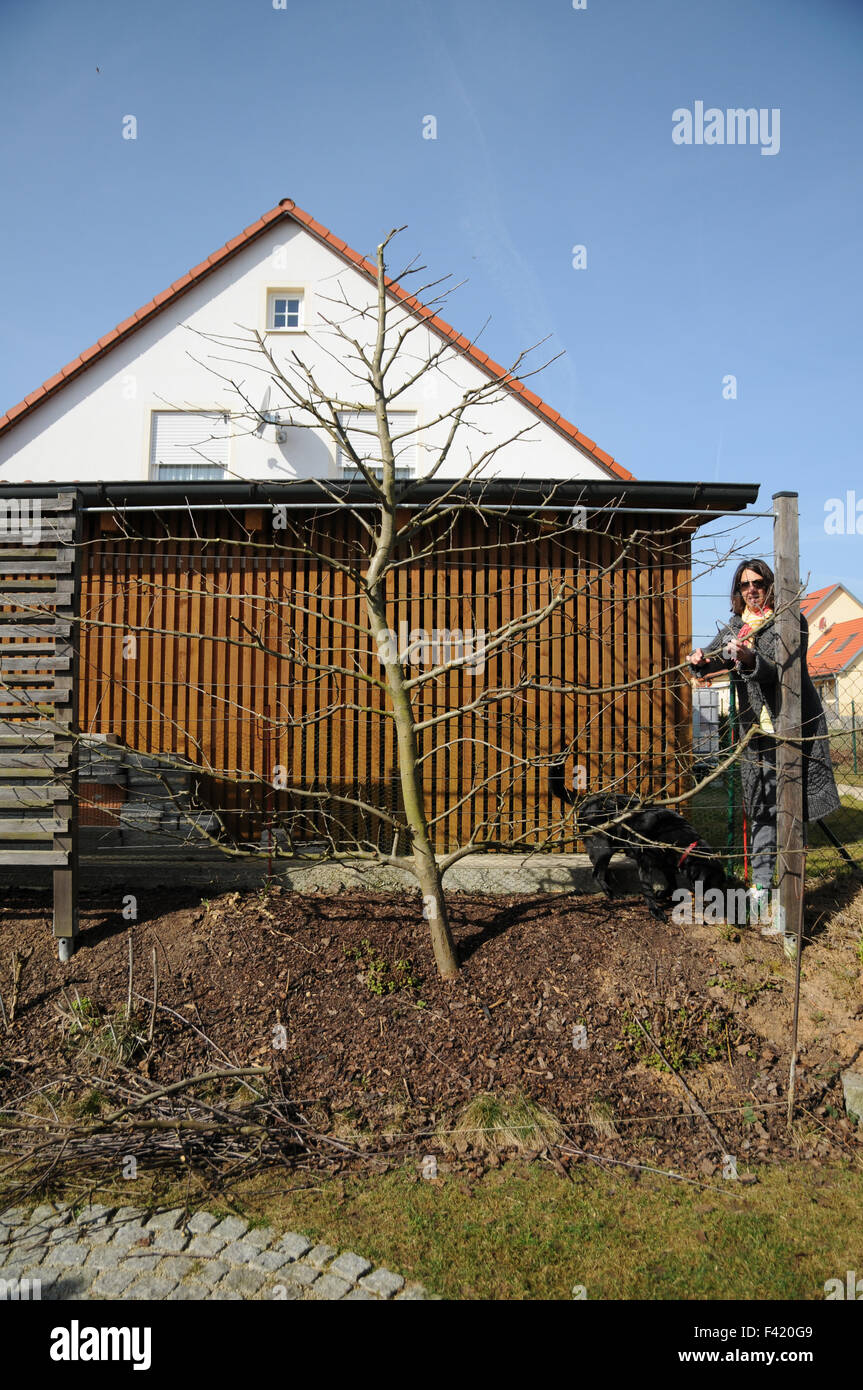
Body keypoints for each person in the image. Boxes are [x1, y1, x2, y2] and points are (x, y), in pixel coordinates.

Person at [687, 558, 840, 929]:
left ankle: (793, 894)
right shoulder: (736, 628)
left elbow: (783, 669)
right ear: (738, 593)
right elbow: (710, 661)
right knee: (762, 811)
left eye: (757, 582)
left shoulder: (790, 620)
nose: (751, 589)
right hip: (758, 737)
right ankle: (760, 889)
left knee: (793, 811)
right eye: (744, 585)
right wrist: (697, 661)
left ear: (769, 585)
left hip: (795, 730)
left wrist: (751, 658)